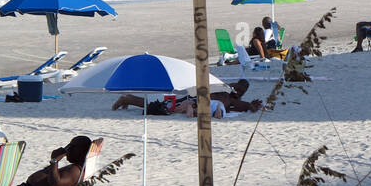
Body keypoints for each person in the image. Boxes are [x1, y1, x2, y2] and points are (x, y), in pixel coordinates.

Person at [5, 136, 102, 186]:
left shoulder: (76, 171)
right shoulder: (77, 167)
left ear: (82, 152)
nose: (68, 149)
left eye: (72, 147)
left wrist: (55, 161)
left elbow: (55, 185)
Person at [111, 79, 261, 114]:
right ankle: (127, 99)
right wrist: (231, 86)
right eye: (239, 88)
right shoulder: (224, 89)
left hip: (192, 100)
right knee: (161, 107)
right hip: (191, 99)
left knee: (161, 107)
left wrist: (251, 106)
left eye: (242, 90)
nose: (239, 90)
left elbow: (243, 106)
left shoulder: (231, 98)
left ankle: (129, 99)